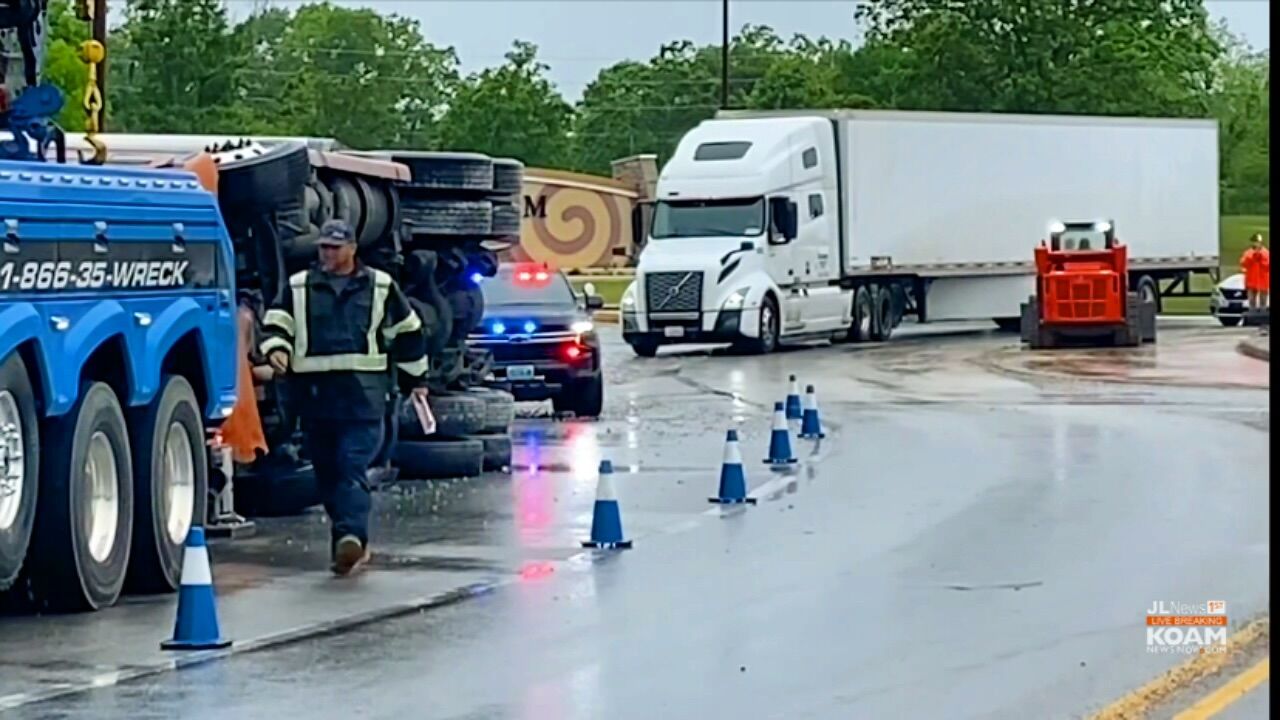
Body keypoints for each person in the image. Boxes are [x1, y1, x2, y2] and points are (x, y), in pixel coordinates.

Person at [258, 219, 430, 575]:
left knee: (351, 467)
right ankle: (348, 543)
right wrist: (276, 348)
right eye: (323, 247)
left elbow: (408, 333)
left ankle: (351, 538)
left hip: (364, 398)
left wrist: (417, 380)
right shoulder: (299, 286)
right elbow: (276, 323)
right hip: (316, 399)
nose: (327, 253)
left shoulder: (381, 286)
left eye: (335, 248)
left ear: (352, 249)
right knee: (328, 474)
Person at [1240, 233, 1270, 312]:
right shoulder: (1248, 253)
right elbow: (1243, 263)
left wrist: (1260, 258)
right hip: (1251, 280)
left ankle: (1263, 314)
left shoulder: (1266, 253)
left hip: (1263, 281)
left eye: (1257, 242)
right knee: (1251, 300)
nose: (1256, 243)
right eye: (1254, 241)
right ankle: (1252, 314)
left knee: (1263, 300)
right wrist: (1252, 257)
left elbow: (1268, 265)